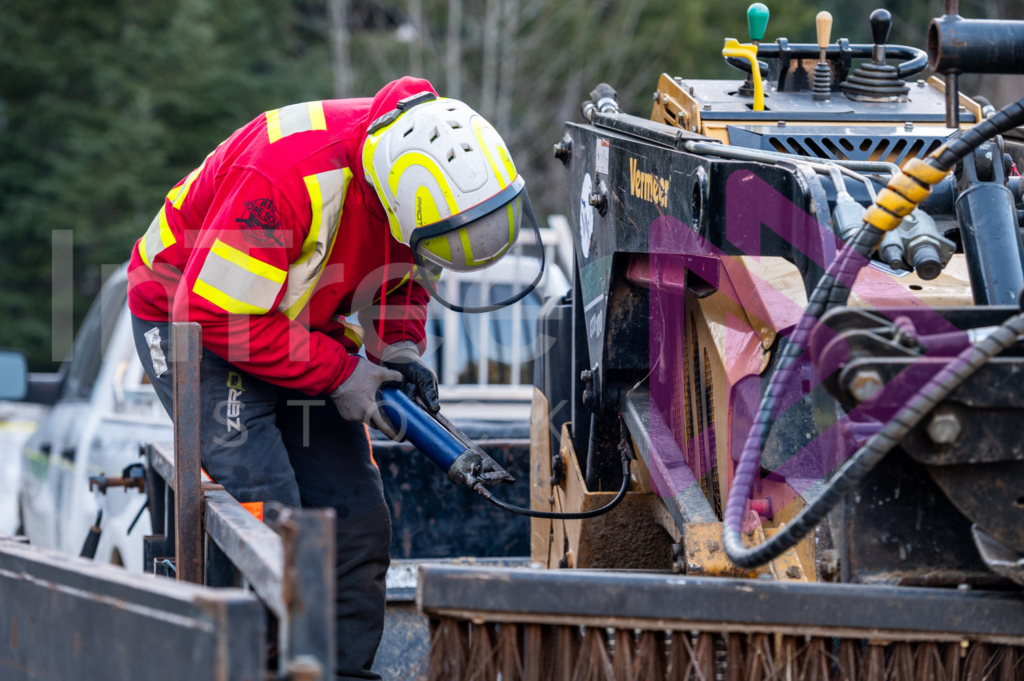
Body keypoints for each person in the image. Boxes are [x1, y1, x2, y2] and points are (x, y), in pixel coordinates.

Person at [126, 77, 543, 679]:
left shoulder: (415, 195)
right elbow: (218, 317)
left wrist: (396, 350)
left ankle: (341, 672)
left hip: (291, 326)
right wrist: (341, 372)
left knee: (357, 521)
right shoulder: (285, 177)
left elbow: (403, 276)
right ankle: (247, 667)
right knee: (269, 516)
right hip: (194, 320)